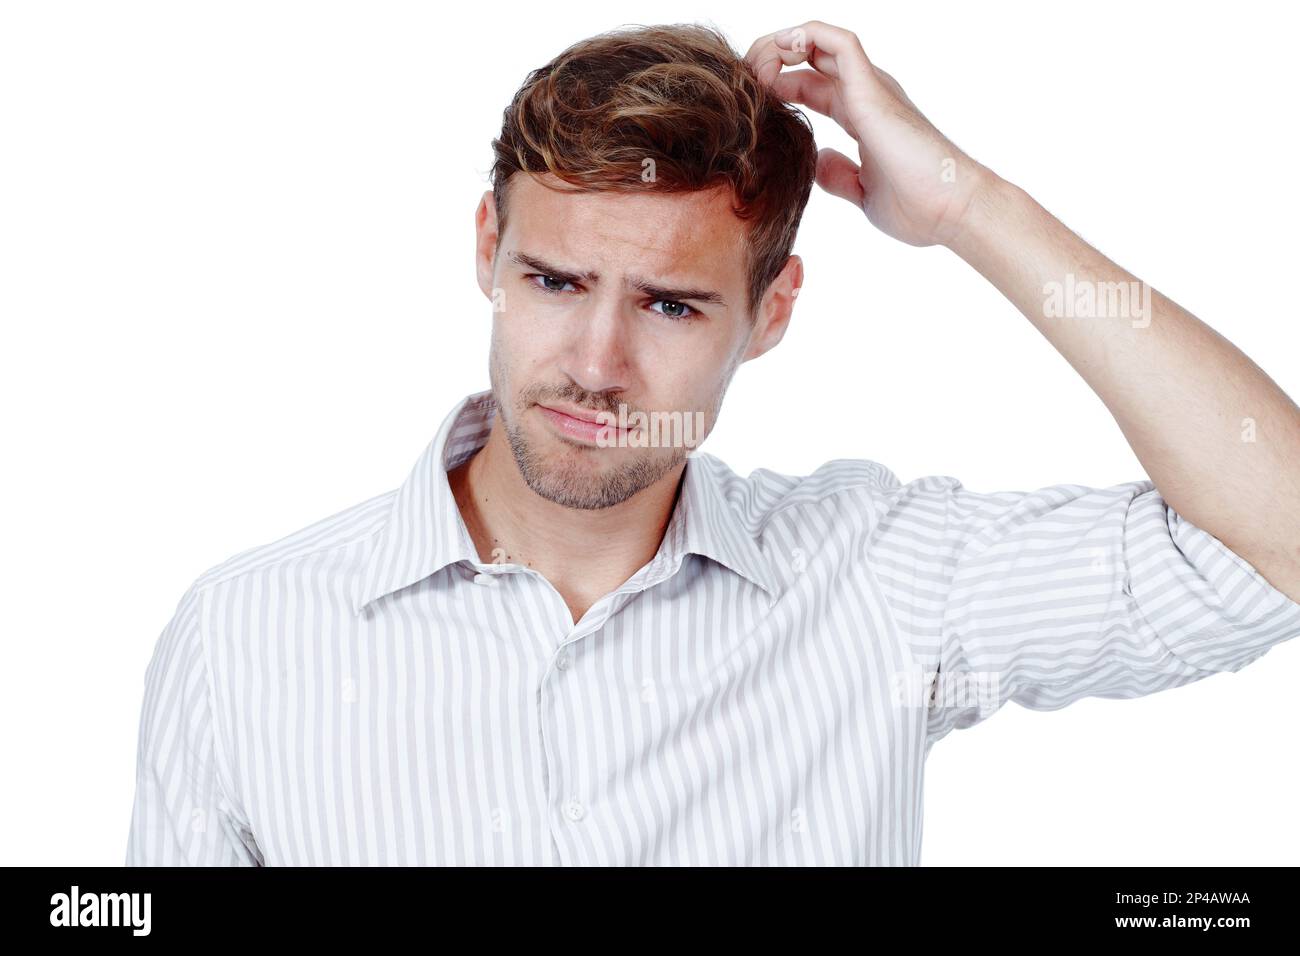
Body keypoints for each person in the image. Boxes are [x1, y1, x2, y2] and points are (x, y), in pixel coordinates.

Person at [127, 20, 1300, 866]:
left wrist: (965, 207)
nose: (594, 361)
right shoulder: (245, 635)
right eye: (553, 278)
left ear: (771, 311)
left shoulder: (879, 579)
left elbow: (1280, 533)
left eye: (670, 305)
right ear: (488, 248)